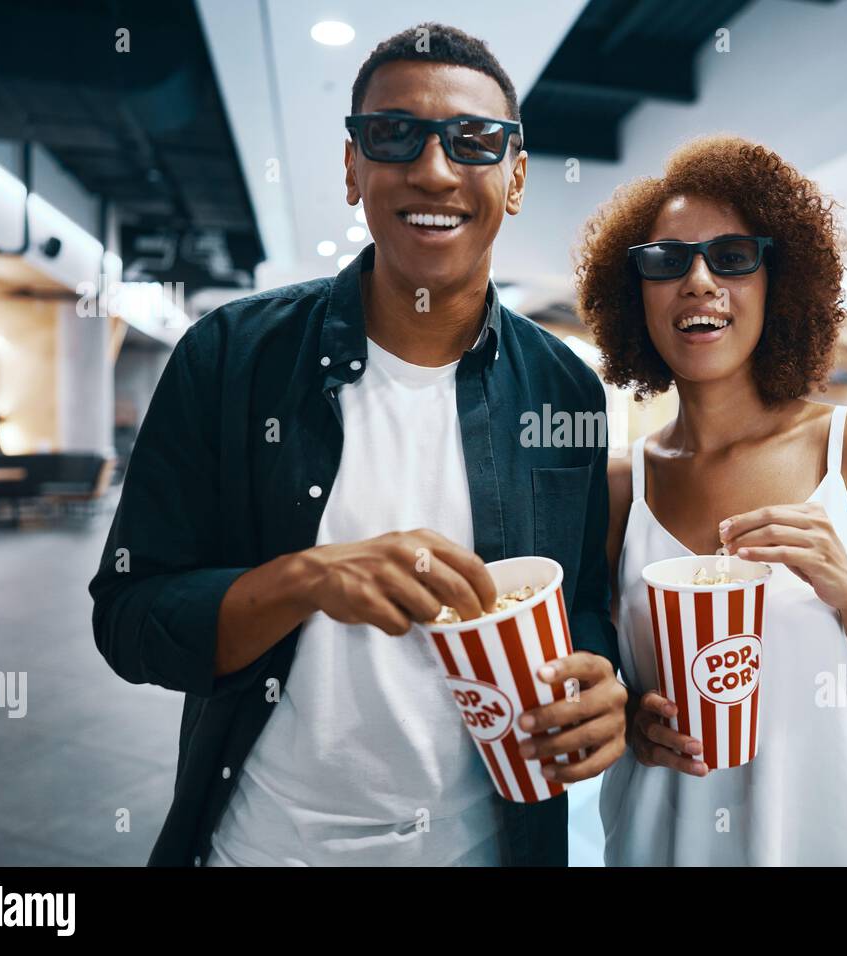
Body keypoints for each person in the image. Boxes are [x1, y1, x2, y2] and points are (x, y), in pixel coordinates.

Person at [89, 23, 626, 867]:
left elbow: (582, 600)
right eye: (394, 134)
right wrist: (303, 580)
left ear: (516, 176)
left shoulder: (565, 389)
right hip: (264, 848)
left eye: (474, 140)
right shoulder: (230, 358)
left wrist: (601, 678)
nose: (435, 168)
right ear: (353, 167)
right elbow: (128, 619)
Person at [575, 135, 847, 865]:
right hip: (666, 842)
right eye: (665, 262)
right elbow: (600, 673)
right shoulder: (625, 485)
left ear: (776, 281)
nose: (698, 280)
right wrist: (629, 718)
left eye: (731, 256)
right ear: (636, 296)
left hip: (837, 840)